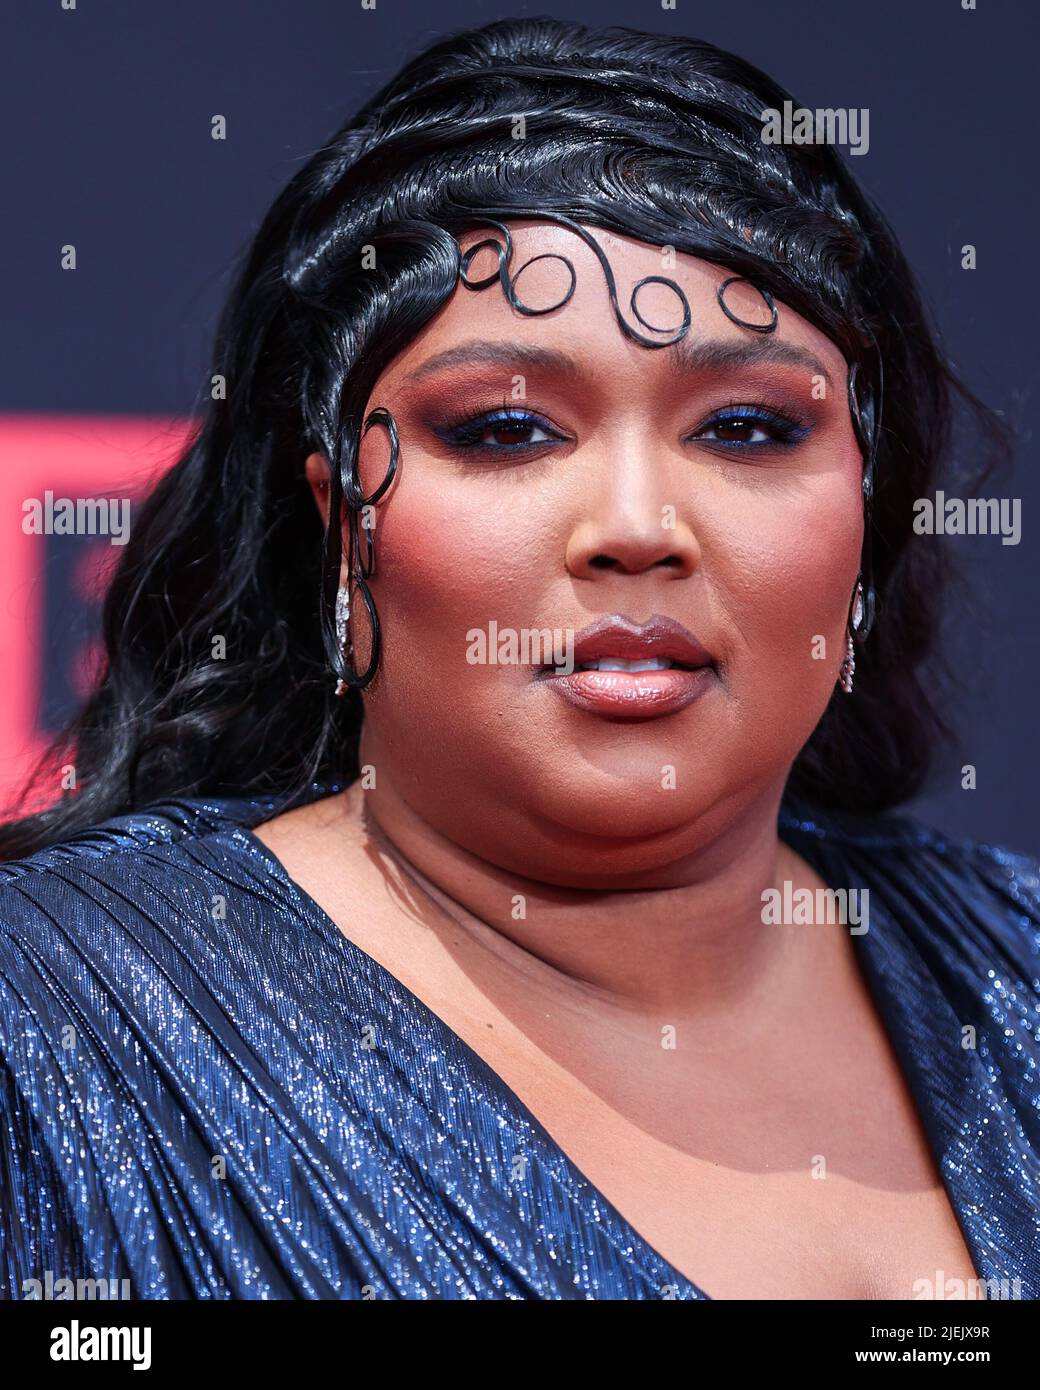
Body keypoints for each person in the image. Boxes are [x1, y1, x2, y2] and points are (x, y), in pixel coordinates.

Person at [1, 17, 1036, 1301]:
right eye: (503, 429)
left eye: (748, 427)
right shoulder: (49, 1028)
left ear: (867, 514)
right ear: (340, 526)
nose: (637, 531)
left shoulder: (1019, 972)